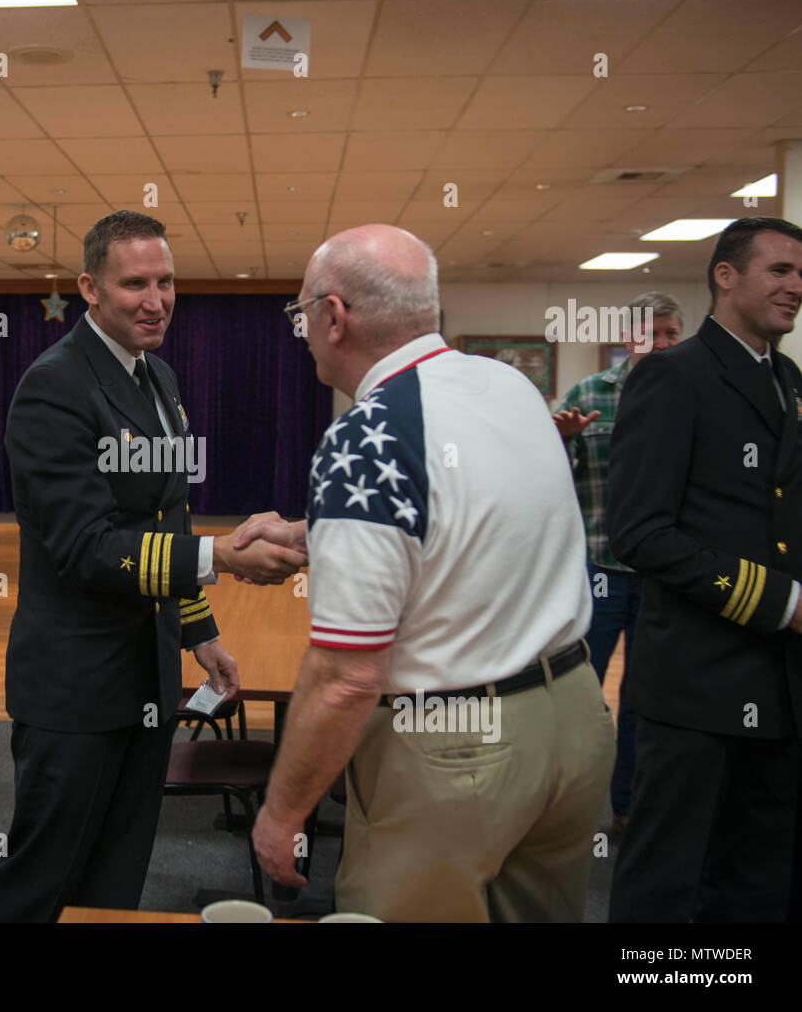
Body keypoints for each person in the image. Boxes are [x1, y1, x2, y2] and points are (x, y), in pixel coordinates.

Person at [245, 224, 614, 922]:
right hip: (573, 718)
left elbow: (348, 675)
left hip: (456, 749)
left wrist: (282, 812)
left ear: (333, 316)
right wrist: (308, 531)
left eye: (300, 315)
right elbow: (473, 521)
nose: (304, 331)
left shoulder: (366, 435)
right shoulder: (509, 389)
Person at [0, 210, 306, 923]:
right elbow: (87, 546)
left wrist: (199, 631)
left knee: (115, 881)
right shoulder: (53, 386)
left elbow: (165, 516)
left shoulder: (160, 376)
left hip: (147, 674)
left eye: (167, 281)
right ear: (89, 288)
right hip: (74, 688)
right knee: (39, 883)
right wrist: (220, 558)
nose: (156, 301)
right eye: (135, 284)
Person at [607, 217, 802, 922]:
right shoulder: (673, 374)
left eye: (801, 275)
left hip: (780, 680)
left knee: (758, 876)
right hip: (699, 677)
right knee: (669, 879)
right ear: (726, 276)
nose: (796, 287)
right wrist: (780, 601)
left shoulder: (788, 379)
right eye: (779, 270)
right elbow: (641, 532)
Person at [552, 292, 684, 831]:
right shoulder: (590, 395)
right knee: (581, 695)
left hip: (667, 575)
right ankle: (567, 806)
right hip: (601, 567)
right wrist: (561, 441)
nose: (665, 344)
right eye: (654, 334)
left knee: (646, 700)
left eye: (674, 333)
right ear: (630, 339)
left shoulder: (696, 394)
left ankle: (628, 806)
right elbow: (548, 482)